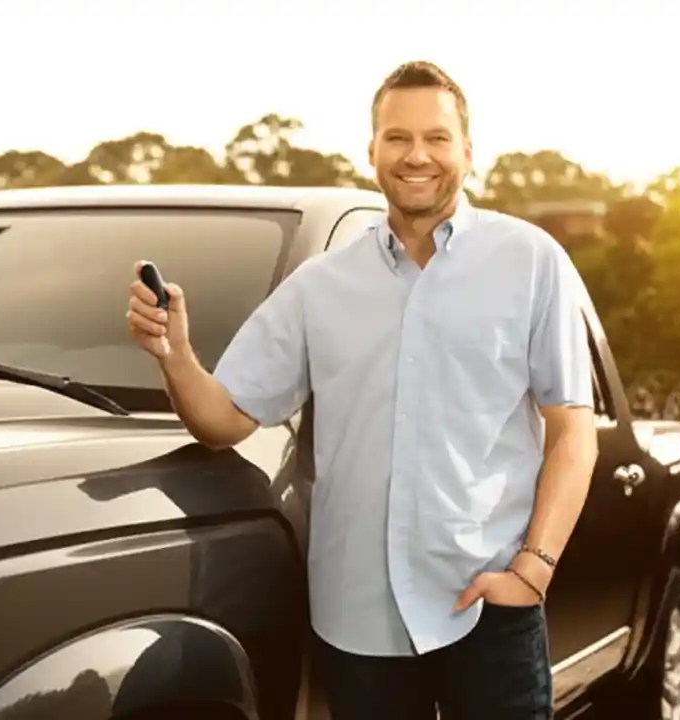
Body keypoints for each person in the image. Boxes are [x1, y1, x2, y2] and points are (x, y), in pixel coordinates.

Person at [124, 60, 599, 719]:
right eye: (397, 138)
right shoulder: (320, 286)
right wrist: (173, 353)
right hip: (357, 623)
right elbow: (224, 419)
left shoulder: (530, 260)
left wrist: (533, 570)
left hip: (488, 608)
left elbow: (573, 430)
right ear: (372, 150)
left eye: (436, 137)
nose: (417, 156)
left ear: (467, 150)